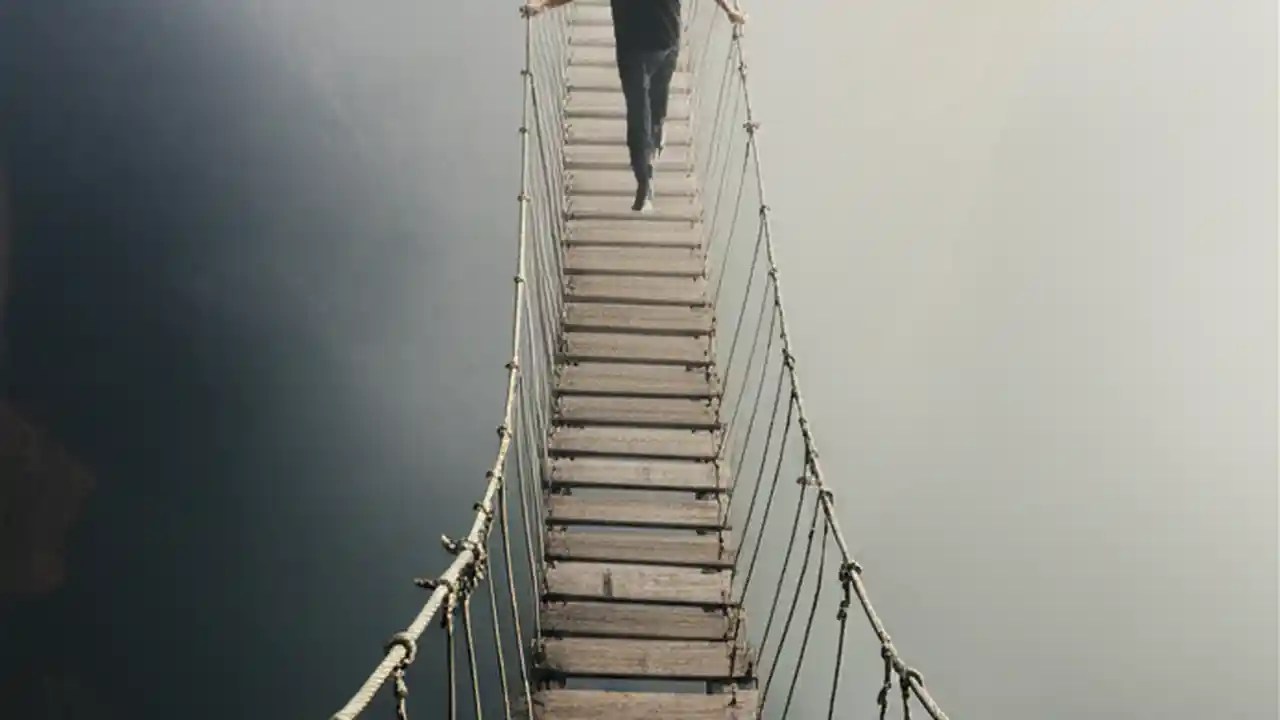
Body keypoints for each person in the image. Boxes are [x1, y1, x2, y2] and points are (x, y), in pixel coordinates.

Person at [522, 0, 747, 211]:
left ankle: (655, 141)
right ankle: (644, 180)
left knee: (656, 110)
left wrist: (729, 11)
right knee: (639, 116)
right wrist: (542, 4)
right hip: (635, 53)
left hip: (666, 47)